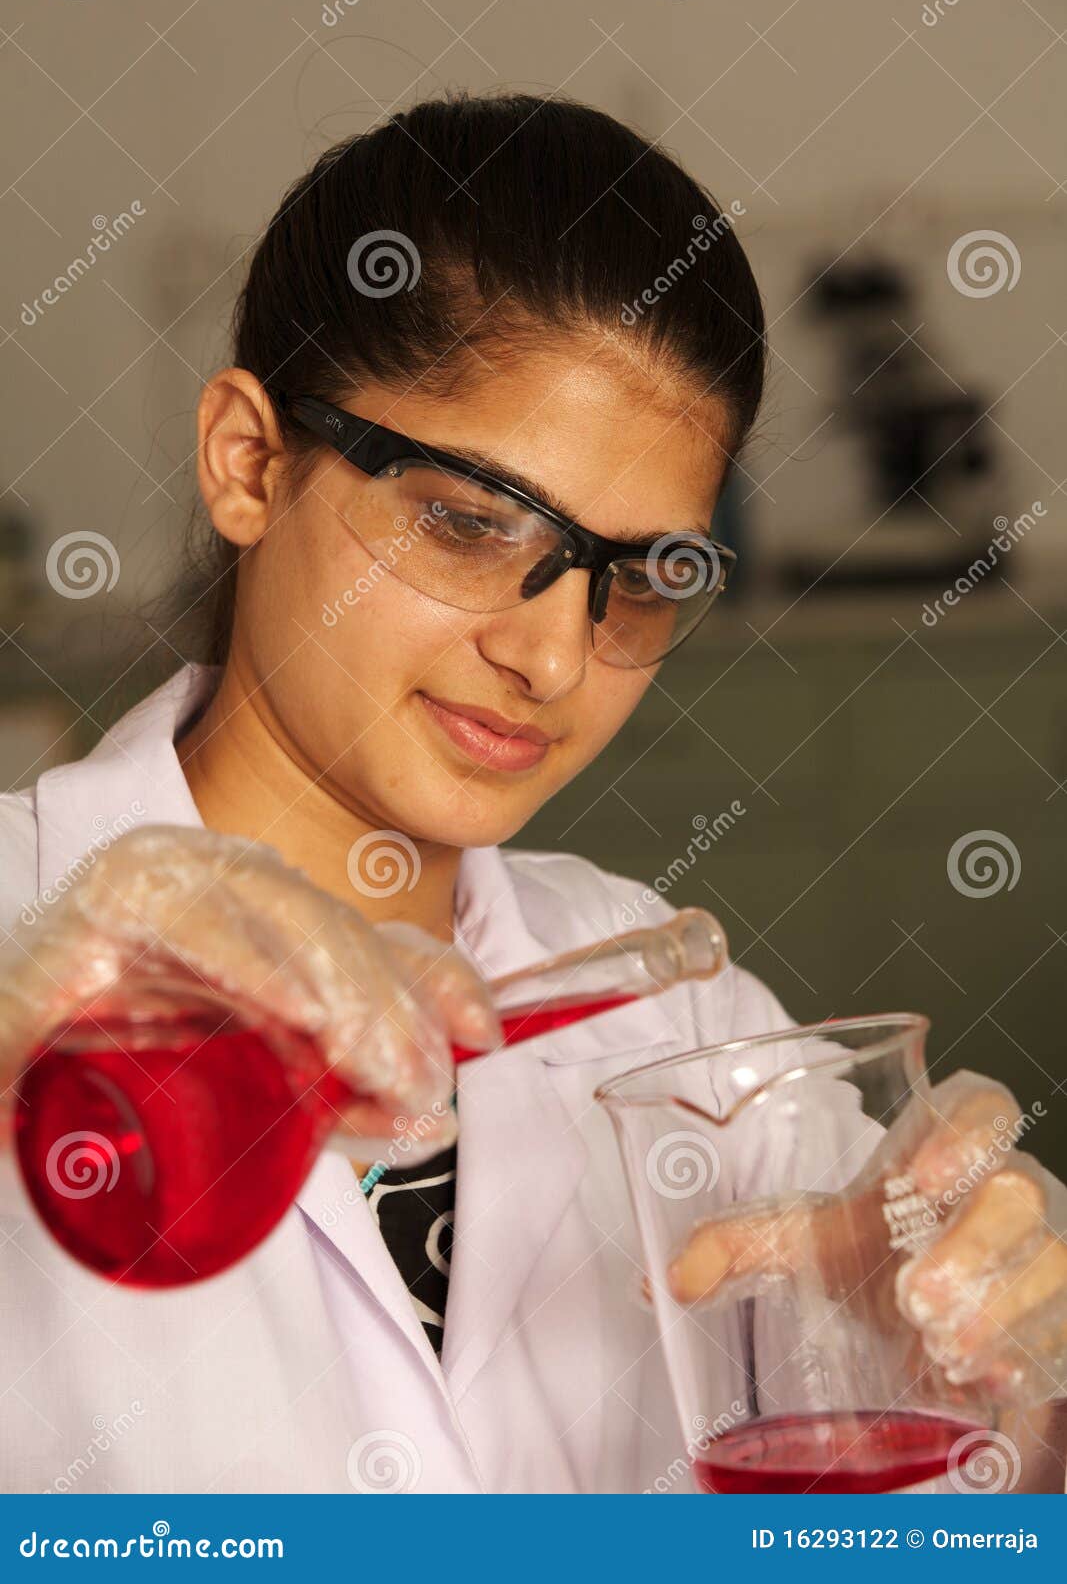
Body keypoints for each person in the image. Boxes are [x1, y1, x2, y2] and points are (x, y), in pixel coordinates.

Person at [0, 93, 1063, 1494]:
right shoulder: (27, 958)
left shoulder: (688, 1035)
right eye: (466, 521)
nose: (553, 653)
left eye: (640, 577)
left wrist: (1009, 1394)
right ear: (249, 460)